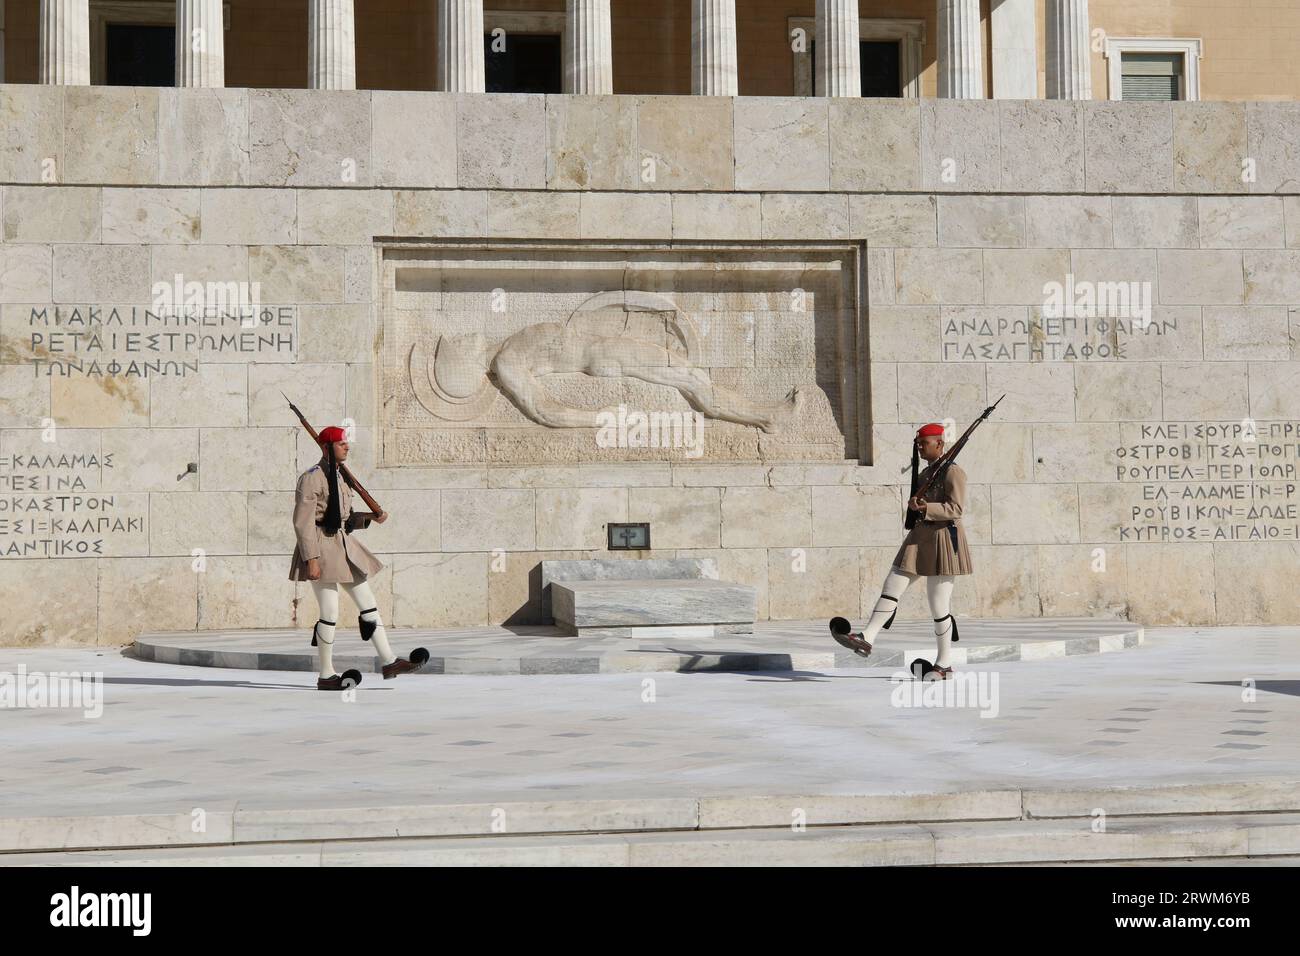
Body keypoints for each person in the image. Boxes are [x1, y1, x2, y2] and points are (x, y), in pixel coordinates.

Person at [288, 426, 424, 690]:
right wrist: (311, 559)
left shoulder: (340, 477)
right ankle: (326, 675)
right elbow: (302, 523)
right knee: (330, 612)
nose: (347, 447)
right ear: (327, 447)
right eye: (341, 443)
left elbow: (345, 517)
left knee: (368, 604)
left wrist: (372, 517)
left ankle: (389, 661)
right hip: (320, 548)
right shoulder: (311, 478)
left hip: (343, 547)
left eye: (346, 443)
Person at [847, 422, 973, 679]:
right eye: (918, 443)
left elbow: (956, 509)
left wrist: (926, 507)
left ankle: (944, 663)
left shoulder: (953, 473)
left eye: (923, 443)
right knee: (893, 583)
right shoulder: (926, 474)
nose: (919, 447)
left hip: (942, 540)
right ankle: (866, 637)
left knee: (938, 605)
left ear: (939, 444)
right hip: (920, 537)